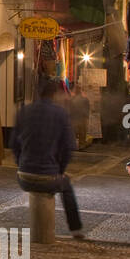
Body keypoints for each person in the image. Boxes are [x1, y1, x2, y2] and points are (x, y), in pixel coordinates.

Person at [12, 78, 85, 238]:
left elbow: (14, 144)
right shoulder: (60, 114)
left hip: (23, 175)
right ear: (55, 94)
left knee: (58, 181)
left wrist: (21, 163)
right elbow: (68, 147)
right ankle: (75, 229)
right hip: (49, 176)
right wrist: (60, 170)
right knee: (66, 185)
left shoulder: (24, 111)